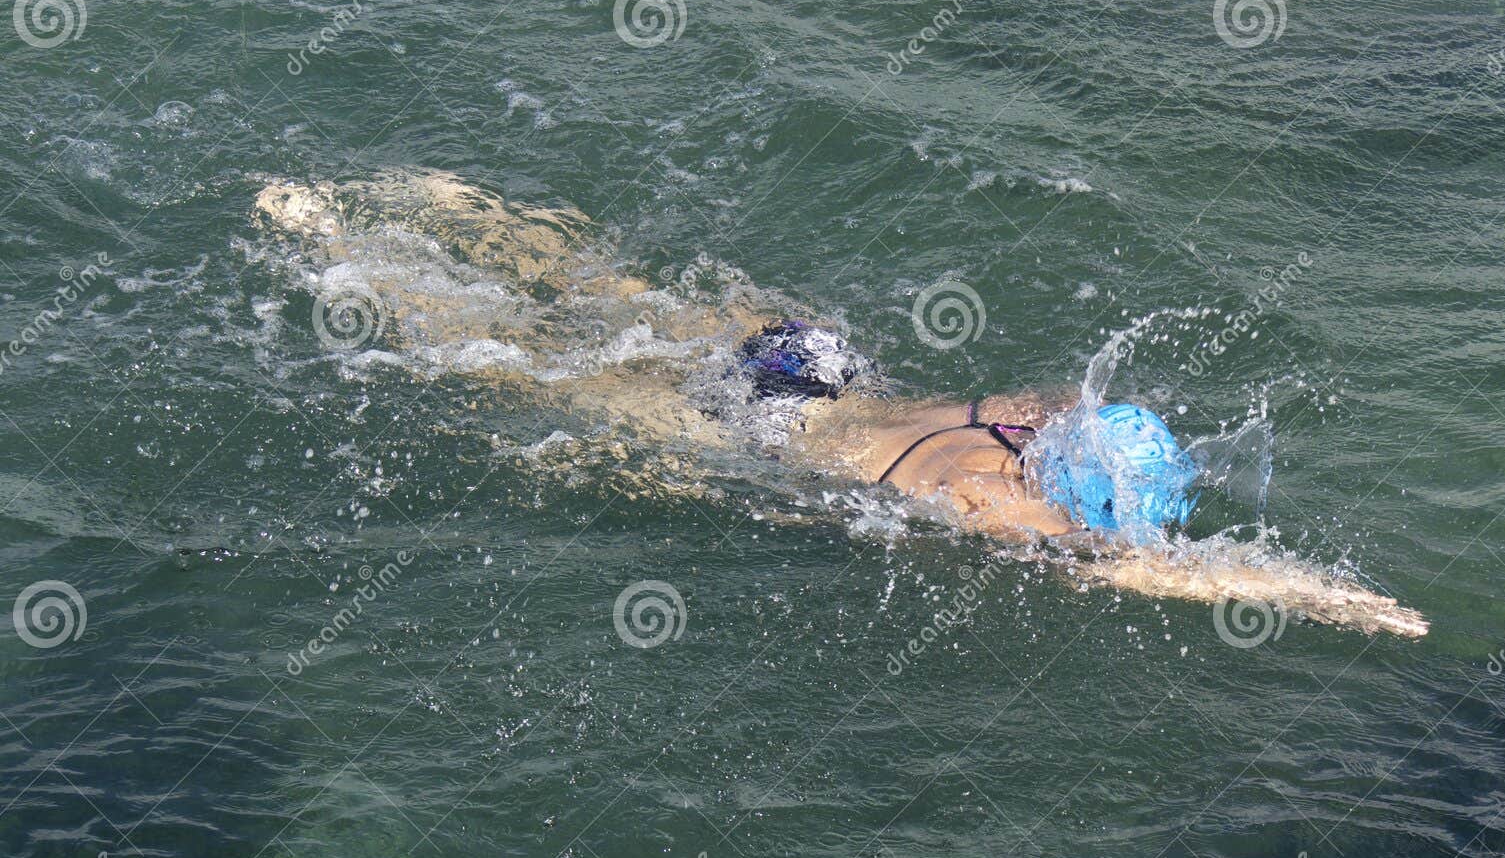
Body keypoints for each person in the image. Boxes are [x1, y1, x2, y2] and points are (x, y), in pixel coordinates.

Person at [254, 171, 1428, 638]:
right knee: (510, 367)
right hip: (761, 431)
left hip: (810, 360)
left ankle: (432, 203)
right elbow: (1128, 571)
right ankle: (342, 260)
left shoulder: (1029, 410)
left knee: (616, 292)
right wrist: (1323, 595)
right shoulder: (995, 501)